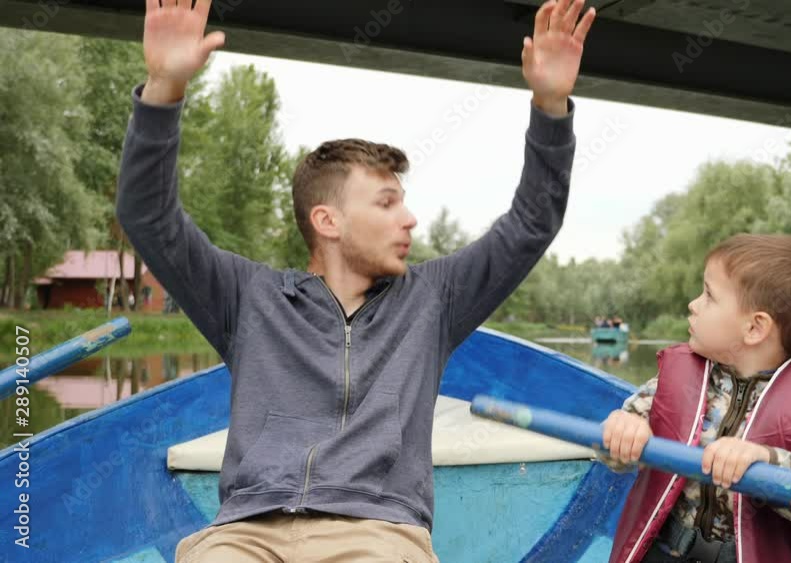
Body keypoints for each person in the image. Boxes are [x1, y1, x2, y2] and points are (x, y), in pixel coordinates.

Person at [116, 0, 596, 560]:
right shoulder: (248, 299)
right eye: (388, 203)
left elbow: (532, 222)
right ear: (328, 221)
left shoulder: (433, 300)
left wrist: (550, 104)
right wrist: (163, 86)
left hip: (377, 532)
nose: (410, 220)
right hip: (247, 530)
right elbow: (149, 216)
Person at [599, 234, 791, 563]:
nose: (693, 304)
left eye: (709, 295)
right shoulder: (675, 380)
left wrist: (769, 464)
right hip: (665, 551)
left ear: (754, 328)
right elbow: (612, 456)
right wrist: (622, 429)